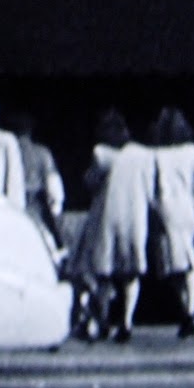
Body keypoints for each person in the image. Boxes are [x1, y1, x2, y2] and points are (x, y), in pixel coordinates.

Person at [70, 108, 156, 343]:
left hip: (107, 216)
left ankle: (105, 319)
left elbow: (91, 181)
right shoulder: (143, 155)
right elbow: (150, 189)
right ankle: (127, 320)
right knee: (130, 272)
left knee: (104, 272)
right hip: (135, 216)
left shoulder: (101, 154)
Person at [149, 107, 194, 339]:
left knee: (174, 266)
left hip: (167, 209)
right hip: (188, 208)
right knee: (191, 264)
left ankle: (186, 310)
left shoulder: (157, 155)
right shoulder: (192, 152)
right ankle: (190, 309)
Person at [10, 111, 66, 253]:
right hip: (34, 208)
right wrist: (56, 210)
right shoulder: (42, 153)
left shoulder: (4, 150)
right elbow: (54, 189)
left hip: (10, 205)